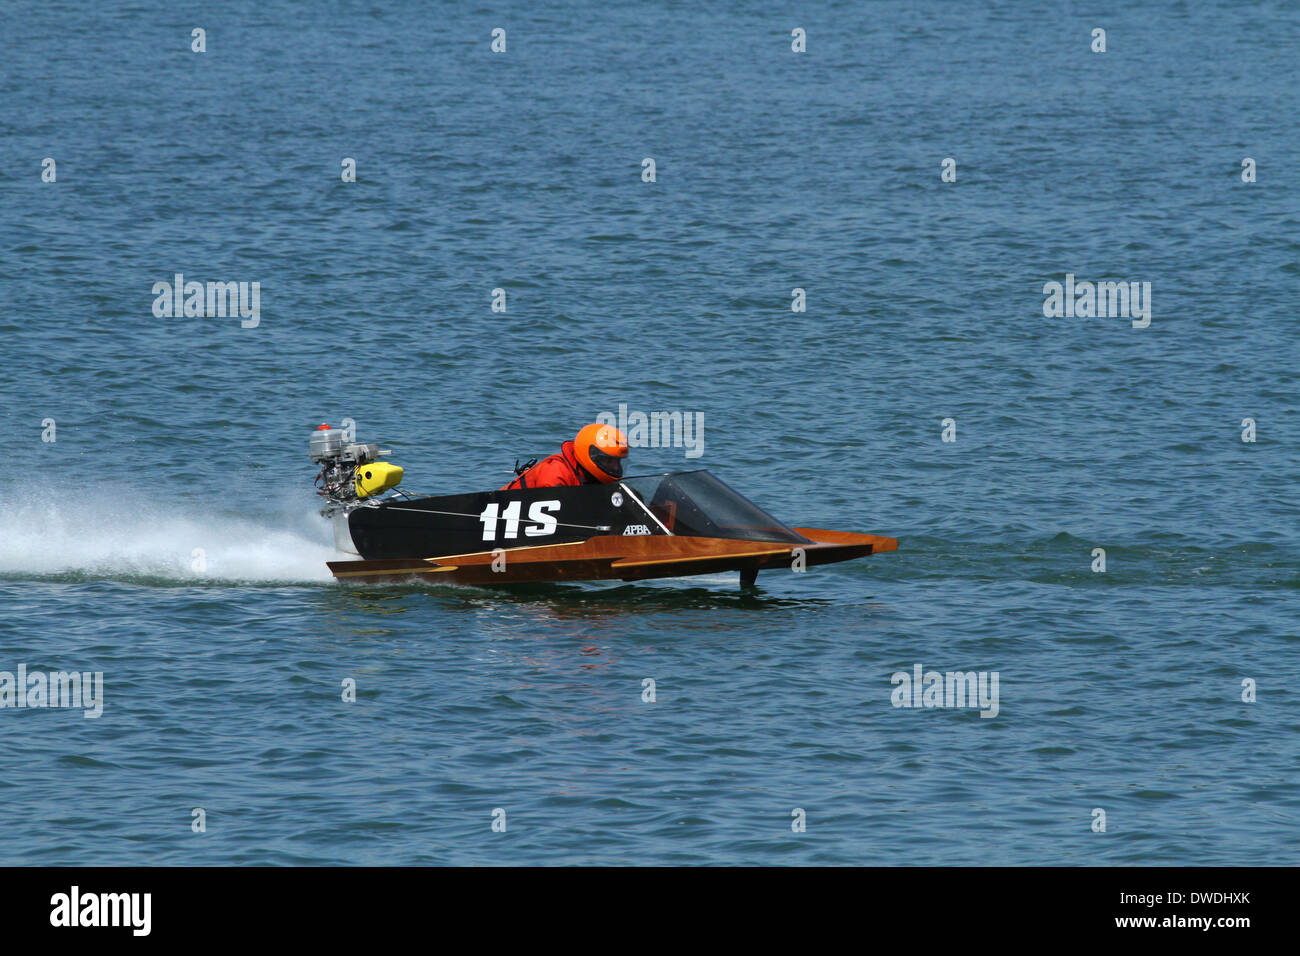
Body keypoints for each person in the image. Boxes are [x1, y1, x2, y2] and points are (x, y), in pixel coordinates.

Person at [502, 423, 629, 490]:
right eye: (609, 460)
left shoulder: (598, 479)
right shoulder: (556, 471)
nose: (615, 467)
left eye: (618, 461)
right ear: (591, 456)